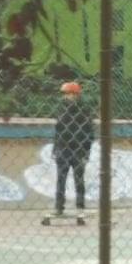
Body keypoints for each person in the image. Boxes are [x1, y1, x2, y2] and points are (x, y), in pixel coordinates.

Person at [52, 81, 95, 216]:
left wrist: (86, 151)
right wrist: (55, 148)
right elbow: (58, 131)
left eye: (69, 94)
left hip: (78, 149)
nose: (66, 97)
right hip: (63, 149)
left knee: (79, 179)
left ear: (76, 95)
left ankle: (80, 206)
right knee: (61, 179)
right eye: (65, 94)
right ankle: (59, 207)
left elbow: (89, 132)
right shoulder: (61, 110)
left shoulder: (83, 111)